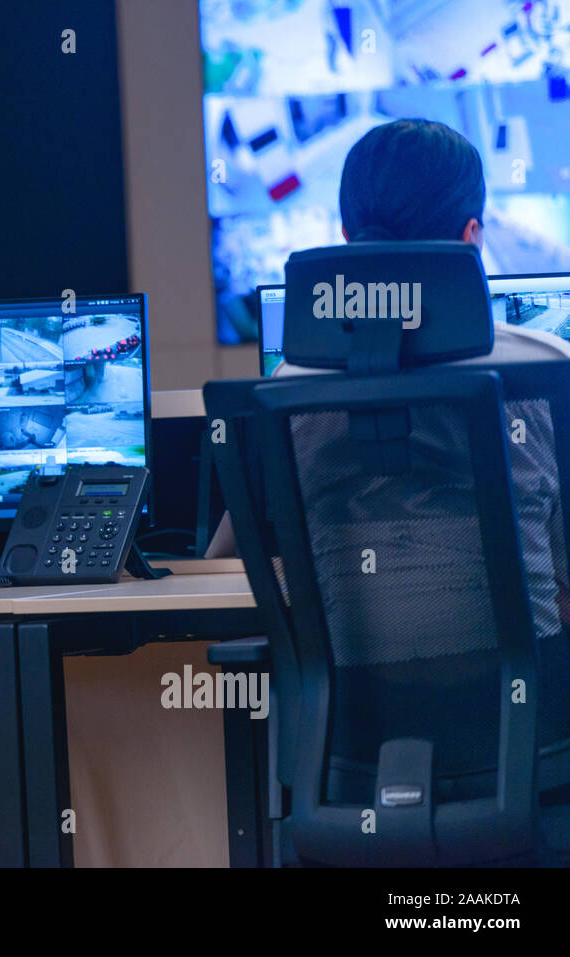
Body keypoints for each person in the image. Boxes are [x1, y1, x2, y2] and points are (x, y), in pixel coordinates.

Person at [228, 119, 570, 792]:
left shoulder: (286, 394)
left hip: (350, 749)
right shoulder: (545, 371)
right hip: (529, 740)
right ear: (472, 238)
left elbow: (225, 555)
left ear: (349, 239)